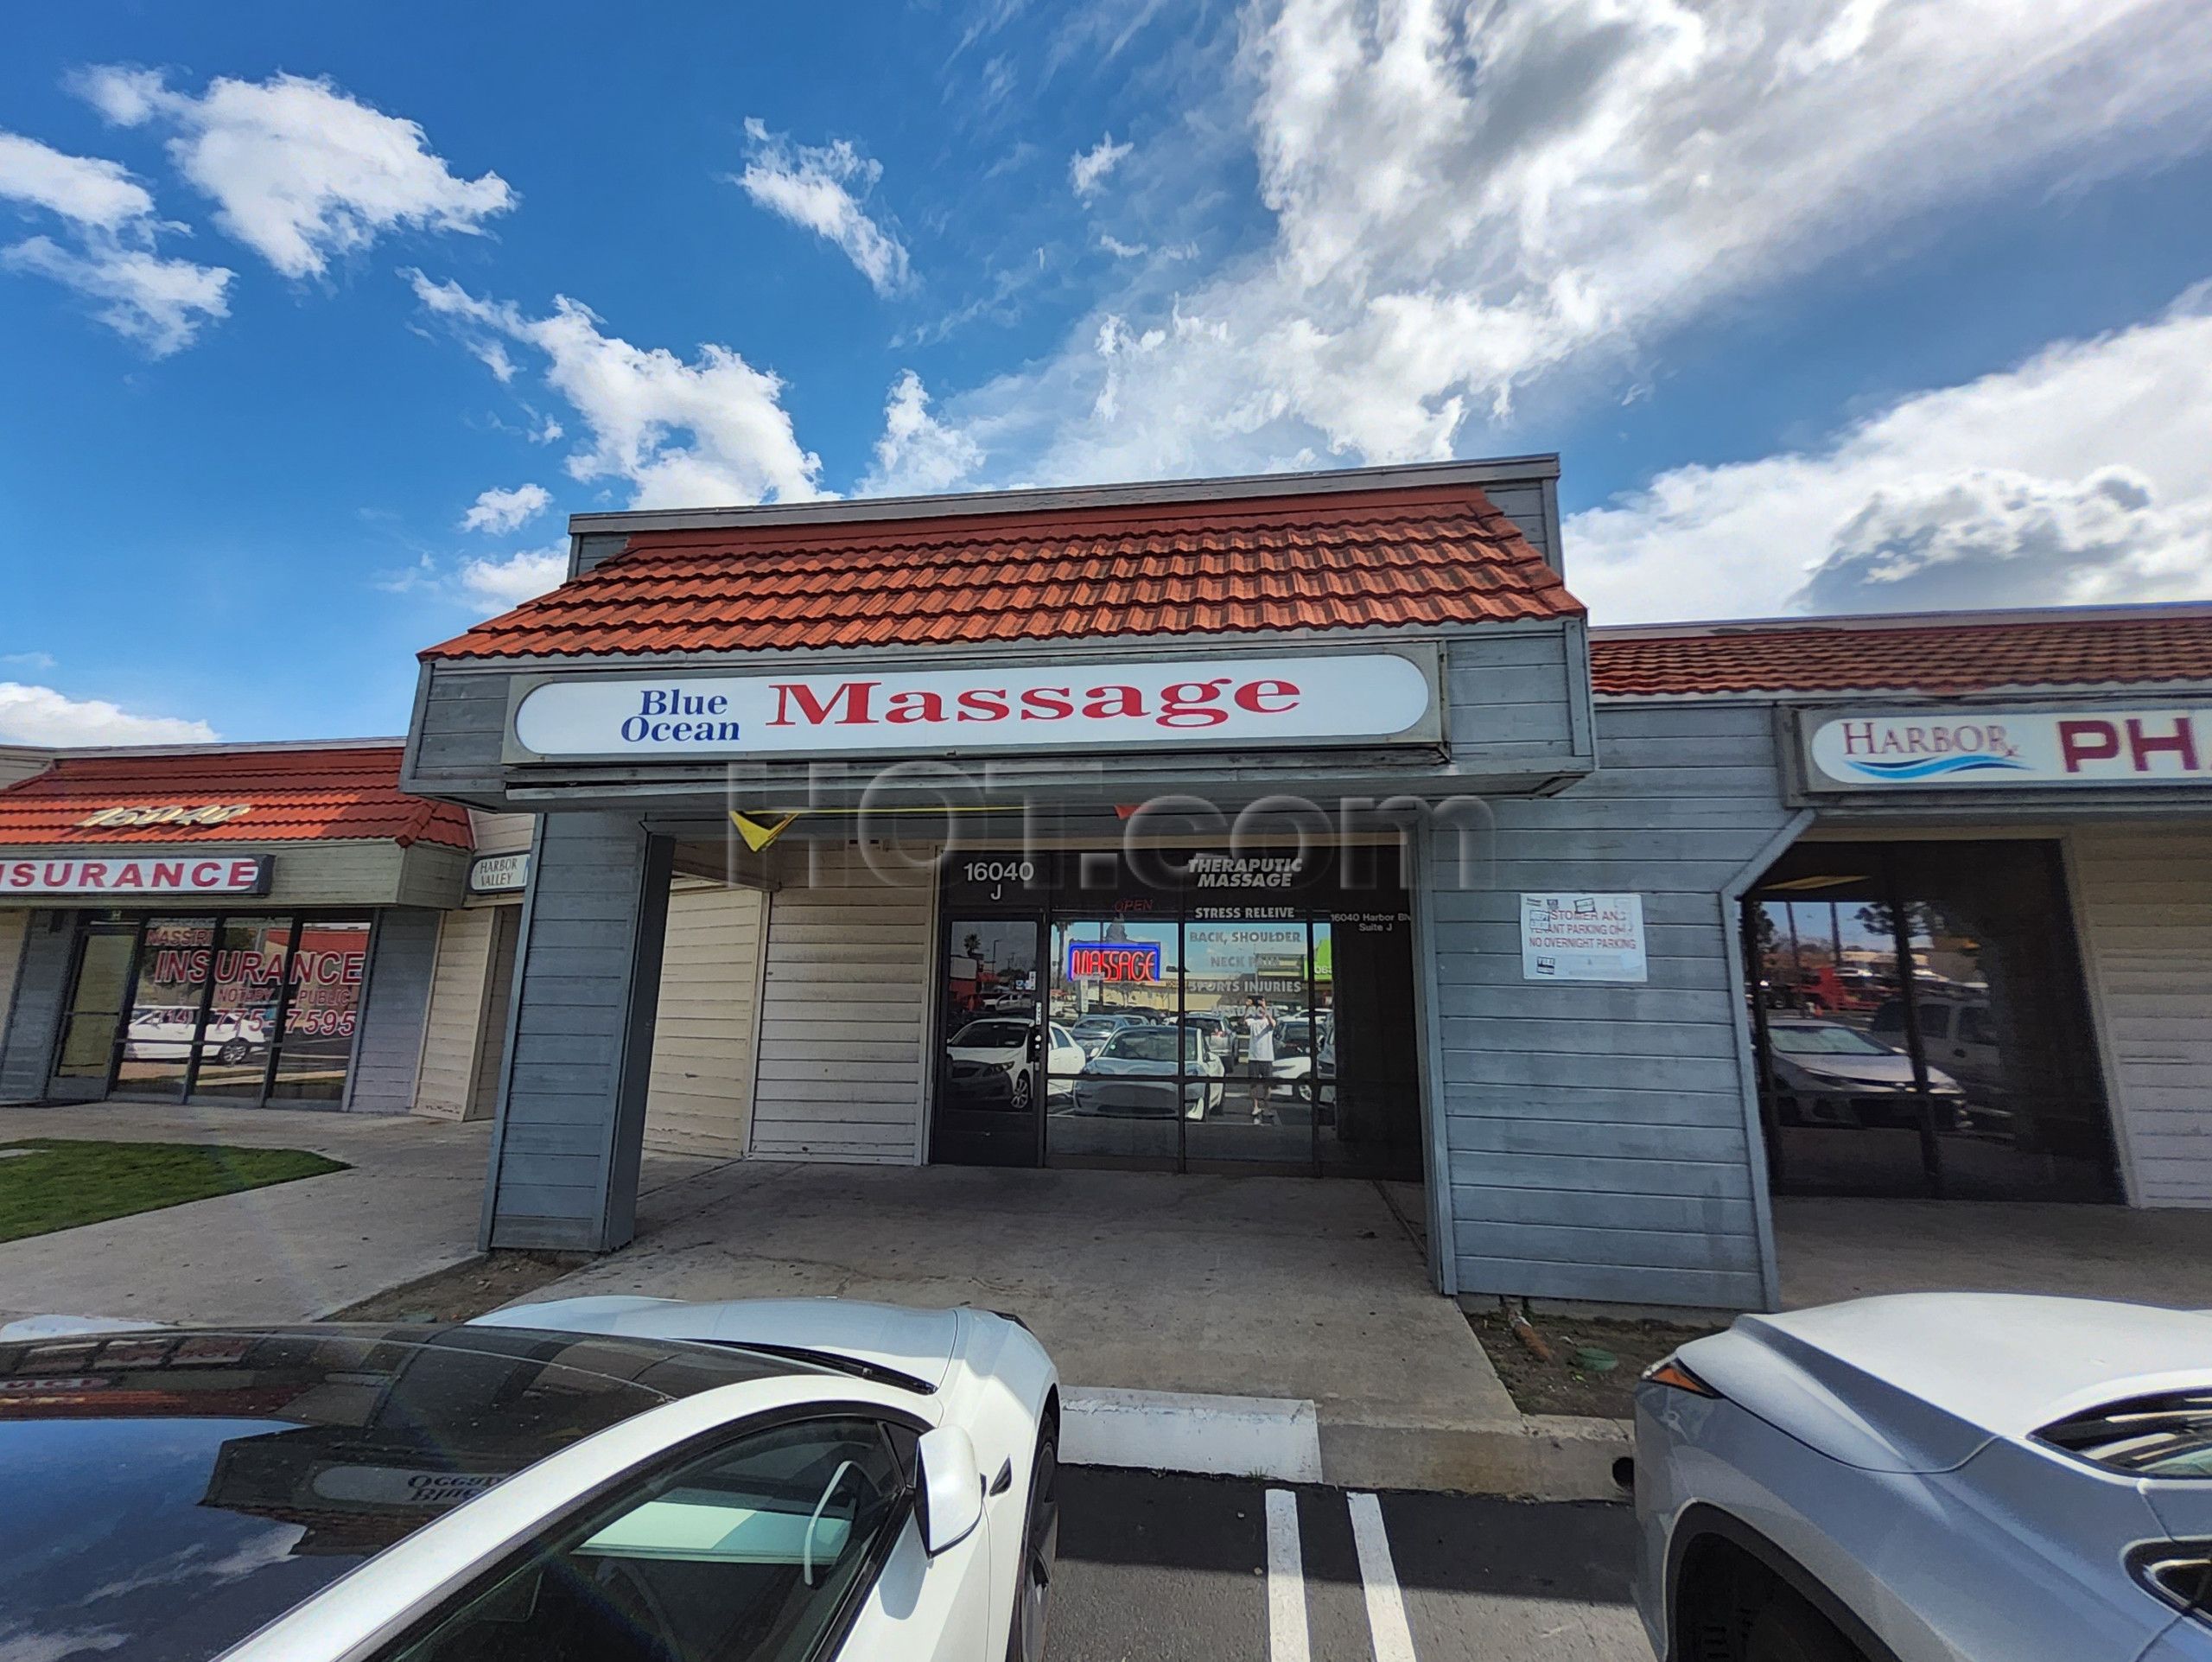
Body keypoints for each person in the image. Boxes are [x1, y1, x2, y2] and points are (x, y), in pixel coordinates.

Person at [1243, 996, 1279, 1123]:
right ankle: (1255, 1106)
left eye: (1263, 1009)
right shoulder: (1253, 1022)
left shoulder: (1269, 1022)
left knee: (1267, 1085)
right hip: (1254, 1057)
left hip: (1267, 1058)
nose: (1261, 1011)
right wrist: (1247, 1007)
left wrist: (1265, 1007)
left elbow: (1273, 1024)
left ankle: (1267, 1107)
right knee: (1253, 1085)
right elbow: (1243, 1022)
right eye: (1260, 1009)